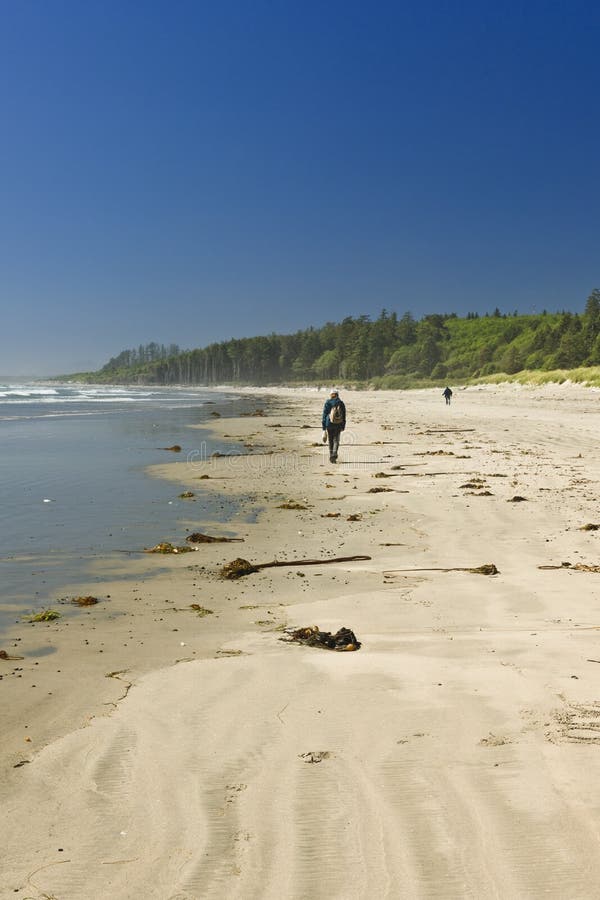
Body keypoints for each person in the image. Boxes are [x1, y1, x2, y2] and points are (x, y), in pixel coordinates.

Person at [322, 388, 346, 463]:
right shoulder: (341, 403)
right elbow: (344, 415)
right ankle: (334, 453)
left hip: (329, 424)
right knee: (336, 440)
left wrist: (323, 426)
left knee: (330, 440)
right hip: (338, 424)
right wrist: (343, 425)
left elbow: (324, 414)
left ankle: (331, 456)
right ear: (337, 395)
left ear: (331, 395)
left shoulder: (328, 402)